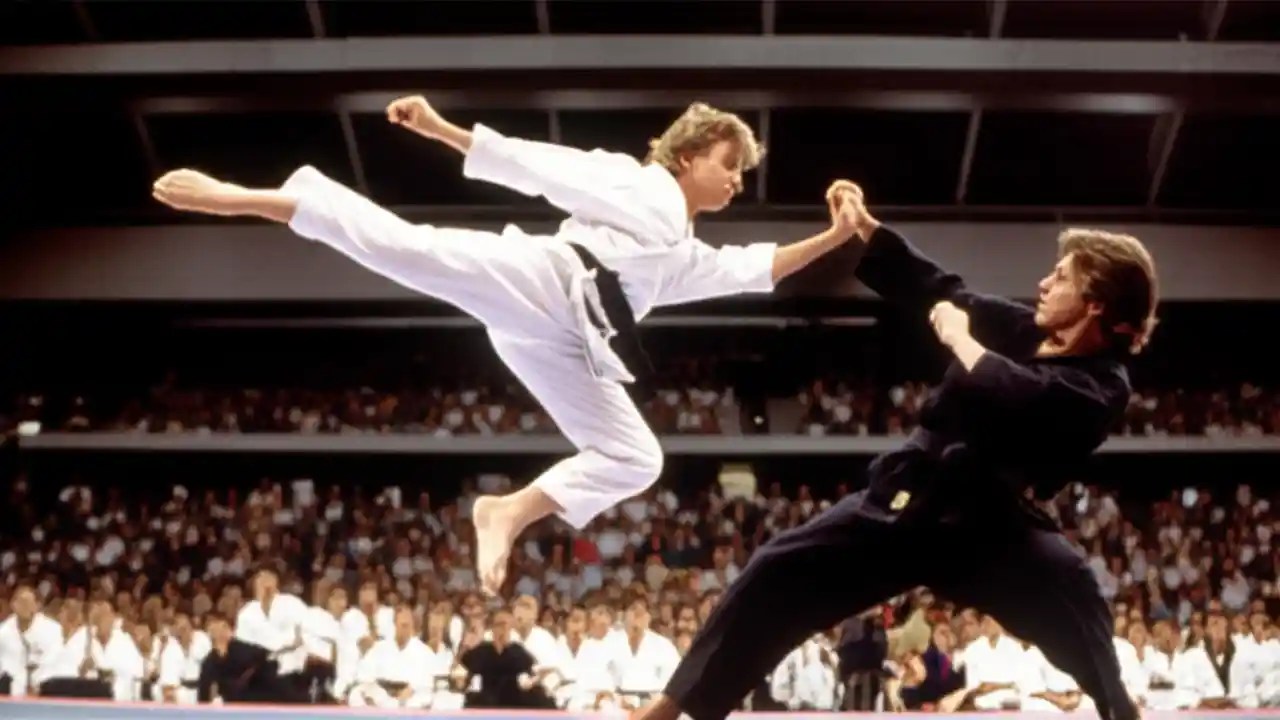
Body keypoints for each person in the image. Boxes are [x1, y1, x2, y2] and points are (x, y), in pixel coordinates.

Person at [151, 97, 859, 595]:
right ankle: (243, 194)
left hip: (567, 343)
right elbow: (540, 167)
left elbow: (752, 268)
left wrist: (832, 238)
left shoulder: (681, 251)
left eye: (742, 172)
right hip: (546, 282)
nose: (737, 180)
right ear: (689, 151)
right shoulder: (637, 184)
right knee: (409, 249)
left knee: (638, 457)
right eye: (730, 163)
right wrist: (443, 129)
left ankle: (508, 510)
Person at [632, 180, 1159, 720]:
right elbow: (940, 288)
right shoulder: (1022, 328)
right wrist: (864, 229)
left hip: (990, 528)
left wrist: (962, 340)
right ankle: (675, 707)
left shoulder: (1104, 384)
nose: (1044, 283)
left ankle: (1119, 710)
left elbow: (1027, 396)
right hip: (906, 503)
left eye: (1062, 278)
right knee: (775, 570)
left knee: (1077, 597)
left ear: (1094, 303)